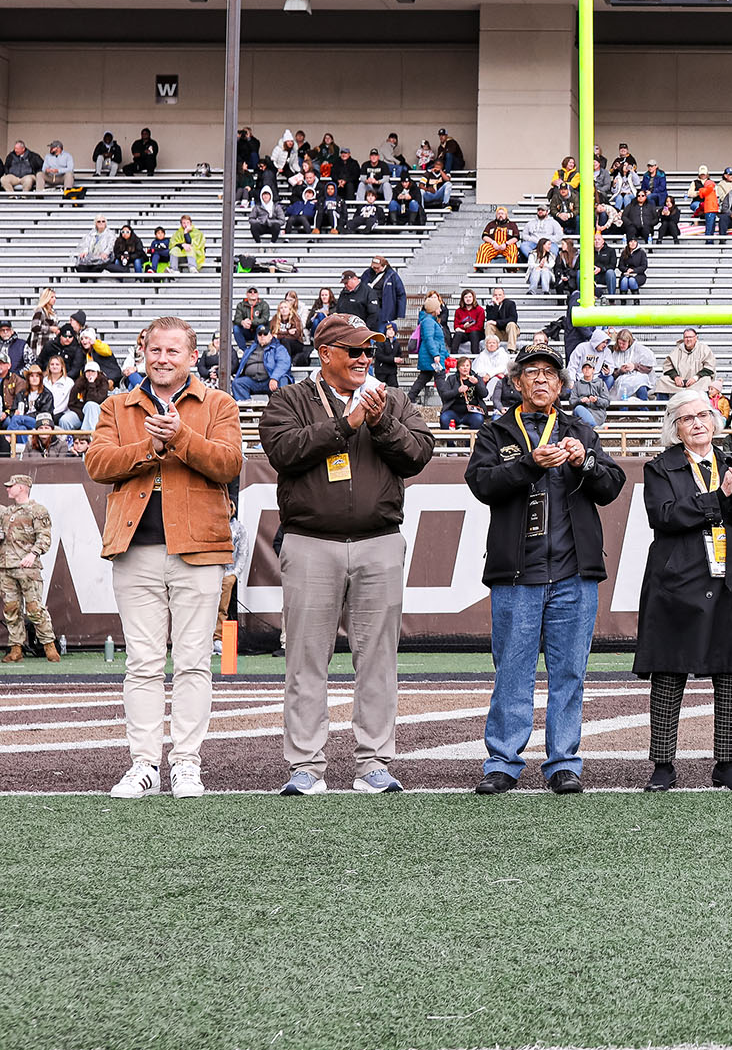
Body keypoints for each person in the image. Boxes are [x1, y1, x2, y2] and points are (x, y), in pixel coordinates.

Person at [261, 314, 436, 796]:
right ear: (325, 354)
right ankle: (305, 765)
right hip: (310, 541)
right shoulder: (290, 399)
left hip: (379, 541)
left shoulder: (392, 398)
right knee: (305, 658)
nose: (365, 358)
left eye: (369, 350)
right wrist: (346, 424)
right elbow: (283, 451)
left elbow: (420, 453)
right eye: (355, 350)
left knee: (378, 659)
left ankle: (374, 761)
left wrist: (380, 424)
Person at [83, 317, 243, 799]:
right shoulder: (116, 406)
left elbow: (230, 464)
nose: (163, 358)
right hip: (133, 549)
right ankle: (145, 764)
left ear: (193, 357)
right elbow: (97, 464)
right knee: (142, 663)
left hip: (200, 547)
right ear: (143, 353)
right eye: (155, 350)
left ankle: (187, 763)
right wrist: (150, 446)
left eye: (174, 351)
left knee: (194, 662)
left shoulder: (219, 403)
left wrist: (180, 437)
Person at [465, 345, 625, 796]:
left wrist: (584, 461)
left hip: (575, 573)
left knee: (569, 673)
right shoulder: (496, 431)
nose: (541, 379)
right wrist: (528, 463)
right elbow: (481, 483)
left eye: (550, 374)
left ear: (560, 385)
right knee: (512, 671)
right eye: (531, 372)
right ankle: (503, 762)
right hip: (517, 574)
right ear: (516, 383)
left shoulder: (580, 430)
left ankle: (563, 763)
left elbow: (612, 485)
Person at [632, 389, 732, 792]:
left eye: (703, 415)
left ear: (715, 420)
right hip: (676, 581)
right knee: (669, 672)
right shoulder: (659, 467)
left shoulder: (730, 463)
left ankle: (727, 763)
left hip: (729, 579)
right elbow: (664, 516)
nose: (697, 423)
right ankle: (663, 764)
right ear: (674, 428)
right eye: (687, 418)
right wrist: (718, 497)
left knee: (730, 672)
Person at [0, 474, 57, 663]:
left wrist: (33, 554)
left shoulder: (37, 510)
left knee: (34, 609)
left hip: (28, 569)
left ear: (22, 487)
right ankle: (16, 649)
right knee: (11, 610)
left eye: (12, 486)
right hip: (6, 568)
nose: (8, 488)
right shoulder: (6, 512)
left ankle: (49, 646)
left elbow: (44, 537)